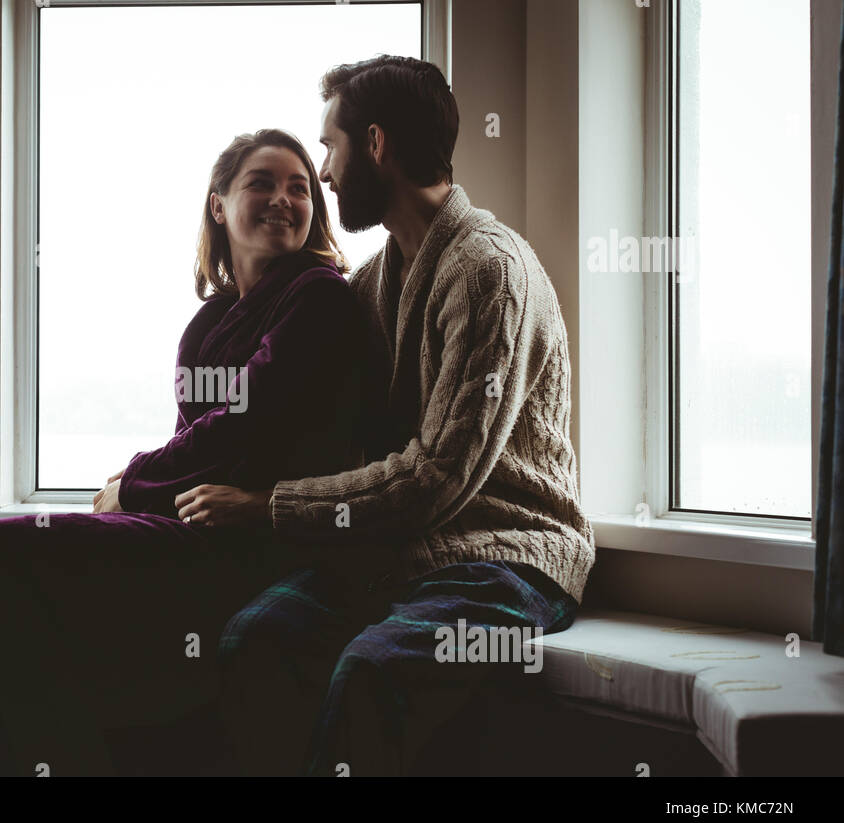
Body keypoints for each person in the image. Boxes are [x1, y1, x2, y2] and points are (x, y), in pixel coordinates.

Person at [0, 128, 370, 776]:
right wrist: (138, 489)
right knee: (8, 602)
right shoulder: (208, 324)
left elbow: (247, 414)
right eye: (262, 183)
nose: (284, 199)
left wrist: (132, 487)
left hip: (260, 545)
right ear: (219, 204)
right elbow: (199, 446)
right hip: (195, 528)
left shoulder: (318, 295)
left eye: (300, 188)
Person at [189, 55, 598, 776]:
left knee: (372, 672)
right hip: (405, 555)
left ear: (374, 144)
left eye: (329, 148)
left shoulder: (487, 271)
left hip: (506, 556)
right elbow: (298, 385)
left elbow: (436, 477)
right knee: (256, 637)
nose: (323, 173)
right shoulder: (378, 281)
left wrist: (265, 506)